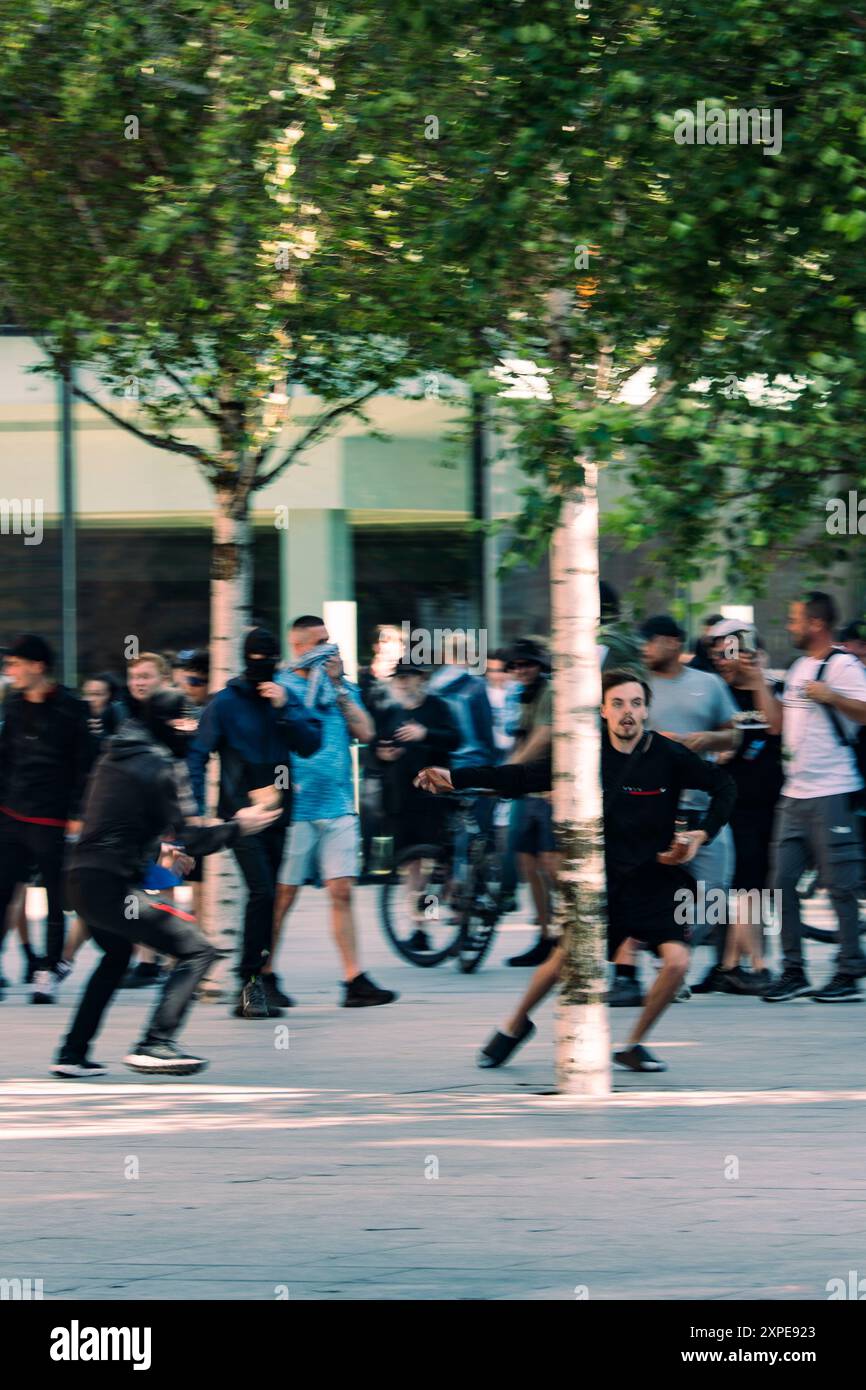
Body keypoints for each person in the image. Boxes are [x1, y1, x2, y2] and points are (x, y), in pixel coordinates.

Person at [416, 669, 736, 1073]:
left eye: (636, 704)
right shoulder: (585, 754)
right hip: (603, 882)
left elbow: (724, 785)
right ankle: (515, 1025)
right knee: (563, 959)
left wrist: (702, 833)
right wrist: (456, 778)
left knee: (676, 963)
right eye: (618, 703)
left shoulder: (668, 756)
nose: (628, 713)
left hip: (655, 880)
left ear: (647, 711)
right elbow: (522, 776)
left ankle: (633, 1044)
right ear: (603, 710)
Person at [53, 690, 281, 1077]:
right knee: (197, 950)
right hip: (110, 885)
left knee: (115, 955)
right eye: (183, 723)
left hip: (80, 879)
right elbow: (191, 837)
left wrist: (165, 856)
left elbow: (130, 827)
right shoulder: (161, 765)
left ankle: (72, 1053)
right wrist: (238, 827)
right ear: (165, 724)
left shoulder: (116, 754)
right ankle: (154, 1042)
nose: (190, 731)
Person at [188, 627, 323, 1019]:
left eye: (268, 657)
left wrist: (287, 708)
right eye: (255, 657)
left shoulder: (283, 696)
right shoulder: (225, 703)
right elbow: (197, 754)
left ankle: (257, 980)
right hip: (241, 815)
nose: (262, 664)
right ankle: (249, 983)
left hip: (279, 812)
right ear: (245, 659)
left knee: (268, 895)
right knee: (262, 891)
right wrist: (195, 809)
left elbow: (310, 743)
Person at [740, 592, 866, 1001]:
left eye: (794, 619)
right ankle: (794, 970)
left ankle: (849, 971)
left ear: (815, 624)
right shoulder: (797, 668)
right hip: (793, 794)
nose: (789, 626)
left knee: (840, 884)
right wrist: (759, 678)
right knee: (781, 883)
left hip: (833, 790)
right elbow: (775, 725)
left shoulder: (843, 664)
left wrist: (832, 697)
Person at [273, 615, 397, 1008]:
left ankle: (353, 979)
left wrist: (340, 688)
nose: (329, 647)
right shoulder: (282, 687)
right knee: (283, 895)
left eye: (330, 640)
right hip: (297, 805)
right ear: (299, 647)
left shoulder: (342, 687)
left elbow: (365, 733)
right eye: (319, 641)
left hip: (340, 803)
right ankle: (262, 974)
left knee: (341, 891)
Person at [615, 614, 740, 1002]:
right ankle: (636, 971)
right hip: (651, 812)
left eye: (650, 641)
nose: (643, 649)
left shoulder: (708, 685)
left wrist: (706, 739)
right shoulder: (635, 689)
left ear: (672, 642)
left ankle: (667, 948)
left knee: (714, 893)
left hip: (702, 811)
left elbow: (735, 733)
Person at [0, 635, 94, 1004]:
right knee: (2, 893)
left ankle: (47, 971)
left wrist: (76, 814)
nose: (10, 672)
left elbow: (84, 765)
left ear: (37, 666)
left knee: (55, 898)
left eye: (16, 664)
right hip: (10, 814)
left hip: (52, 819)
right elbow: (4, 756)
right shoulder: (14, 704)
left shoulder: (72, 708)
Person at [706, 620, 782, 992]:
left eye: (729, 652)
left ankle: (739, 965)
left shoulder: (769, 688)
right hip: (729, 801)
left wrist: (760, 680)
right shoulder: (718, 693)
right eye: (717, 653)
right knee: (739, 886)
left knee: (749, 886)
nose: (722, 660)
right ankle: (744, 965)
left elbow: (774, 727)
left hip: (765, 803)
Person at [503, 638, 557, 967]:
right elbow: (521, 738)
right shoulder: (521, 695)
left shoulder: (549, 692)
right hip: (530, 788)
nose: (521, 670)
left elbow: (543, 736)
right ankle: (545, 935)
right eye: (517, 665)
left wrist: (509, 771)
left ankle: (568, 933)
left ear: (540, 665)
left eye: (528, 664)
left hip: (552, 788)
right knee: (527, 862)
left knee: (551, 862)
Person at [82, 672, 125, 742]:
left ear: (112, 698)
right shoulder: (81, 721)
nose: (90, 699)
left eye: (97, 694)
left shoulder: (122, 724)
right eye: (87, 694)